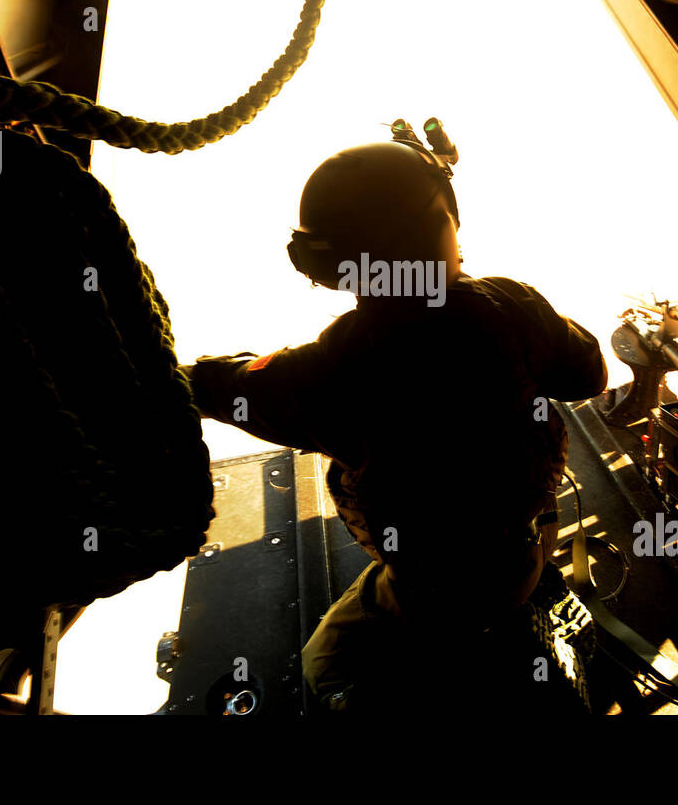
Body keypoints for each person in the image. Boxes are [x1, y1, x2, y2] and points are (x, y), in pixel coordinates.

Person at [183, 131, 607, 711]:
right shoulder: (512, 309)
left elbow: (223, 387)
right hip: (524, 551)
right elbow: (588, 377)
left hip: (432, 595)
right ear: (444, 226)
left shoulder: (330, 372)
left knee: (320, 668)